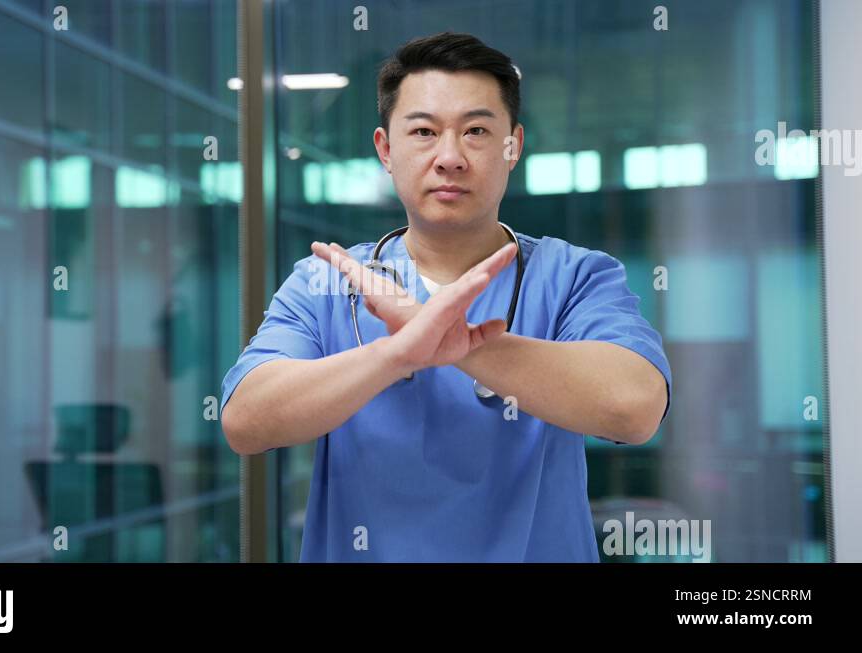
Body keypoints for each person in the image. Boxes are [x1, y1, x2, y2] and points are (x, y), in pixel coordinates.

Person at [220, 32, 672, 562]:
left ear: (514, 146)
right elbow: (246, 422)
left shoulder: (575, 277)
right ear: (386, 150)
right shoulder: (329, 282)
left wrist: (465, 346)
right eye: (424, 131)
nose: (450, 156)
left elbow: (635, 409)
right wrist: (396, 353)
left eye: (477, 130)